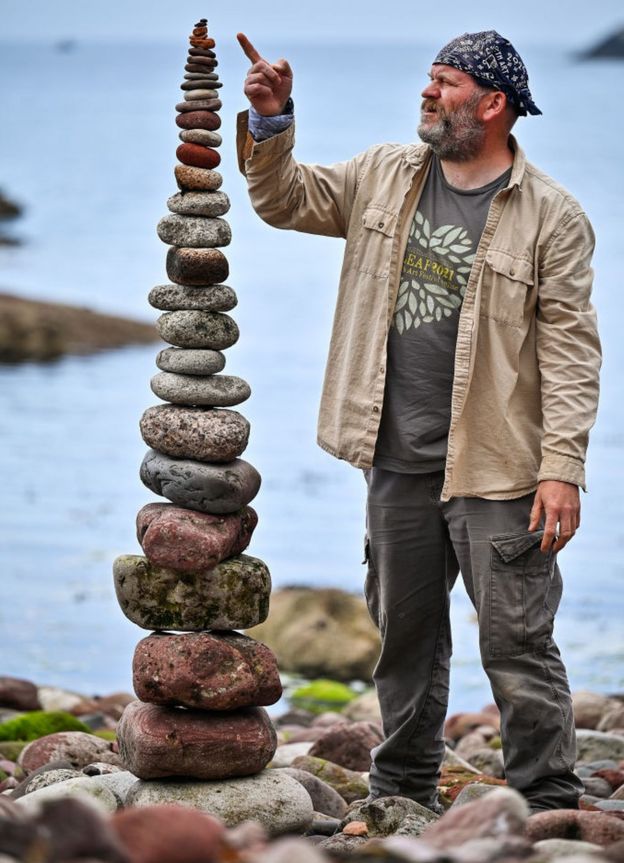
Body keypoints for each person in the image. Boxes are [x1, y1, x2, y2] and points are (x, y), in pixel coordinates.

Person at [236, 30, 601, 813]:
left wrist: (562, 467)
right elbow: (286, 199)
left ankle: (549, 798)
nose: (428, 94)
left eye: (445, 82)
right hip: (394, 457)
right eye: (428, 79)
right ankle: (400, 788)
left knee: (516, 641)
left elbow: (574, 354)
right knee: (404, 636)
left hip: (500, 467)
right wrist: (272, 121)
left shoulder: (553, 218)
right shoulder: (382, 175)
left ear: (493, 103)